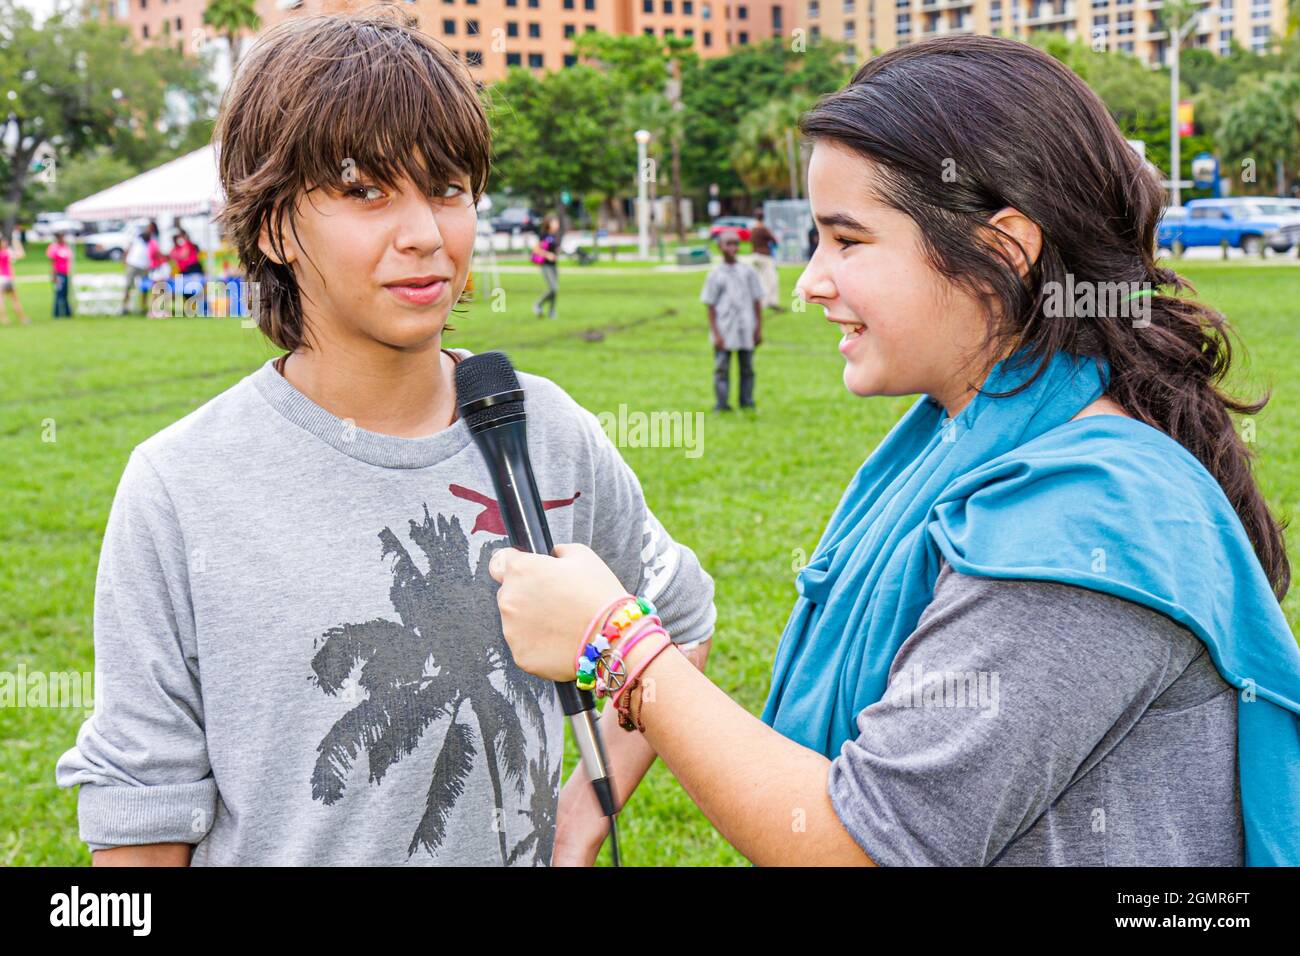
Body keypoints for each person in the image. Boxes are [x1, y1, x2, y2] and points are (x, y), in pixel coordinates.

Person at [487, 35, 1300, 867]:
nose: (809, 282)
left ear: (1003, 250)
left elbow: (863, 849)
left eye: (849, 240)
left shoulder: (1088, 514)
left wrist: (616, 645)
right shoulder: (968, 440)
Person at [54, 8, 716, 867]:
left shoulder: (543, 431)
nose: (426, 235)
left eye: (447, 189)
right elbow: (142, 815)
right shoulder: (180, 486)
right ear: (270, 225)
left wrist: (580, 816)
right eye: (365, 191)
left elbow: (680, 616)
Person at [700, 231, 762, 413]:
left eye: (736, 244)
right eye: (728, 244)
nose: (733, 248)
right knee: (721, 368)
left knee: (747, 368)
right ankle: (722, 404)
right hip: (724, 329)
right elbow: (710, 306)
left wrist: (758, 328)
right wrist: (716, 333)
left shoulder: (748, 272)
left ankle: (747, 401)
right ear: (720, 247)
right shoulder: (714, 275)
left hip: (746, 327)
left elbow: (756, 301)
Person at [747, 209, 782, 312]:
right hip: (765, 257)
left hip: (755, 256)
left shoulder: (752, 229)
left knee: (761, 279)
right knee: (771, 280)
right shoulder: (763, 229)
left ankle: (763, 302)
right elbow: (775, 241)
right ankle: (770, 302)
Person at [120, 225, 154, 316]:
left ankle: (143, 307)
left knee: (144, 288)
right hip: (133, 264)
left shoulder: (152, 241)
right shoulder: (137, 239)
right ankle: (124, 307)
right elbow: (128, 249)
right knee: (128, 286)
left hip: (144, 267)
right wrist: (125, 261)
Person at [531, 215, 560, 318]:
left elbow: (555, 249)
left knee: (555, 290)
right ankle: (538, 304)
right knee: (554, 288)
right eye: (554, 222)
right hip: (546, 266)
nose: (557, 224)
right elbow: (536, 249)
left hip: (554, 266)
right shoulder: (543, 235)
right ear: (549, 223)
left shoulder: (555, 235)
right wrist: (548, 255)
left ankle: (551, 311)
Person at [0, 232, 31, 326]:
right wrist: (16, 242)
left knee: (2, 300)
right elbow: (21, 254)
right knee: (14, 299)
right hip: (8, 278)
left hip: (1, 278)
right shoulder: (6, 252)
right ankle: (23, 318)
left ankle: (4, 319)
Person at [47, 231, 72, 319]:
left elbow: (68, 259)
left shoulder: (65, 247)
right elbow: (52, 262)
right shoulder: (54, 248)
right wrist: (53, 275)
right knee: (58, 294)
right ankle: (56, 313)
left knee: (65, 293)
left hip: (65, 273)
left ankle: (67, 312)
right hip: (58, 274)